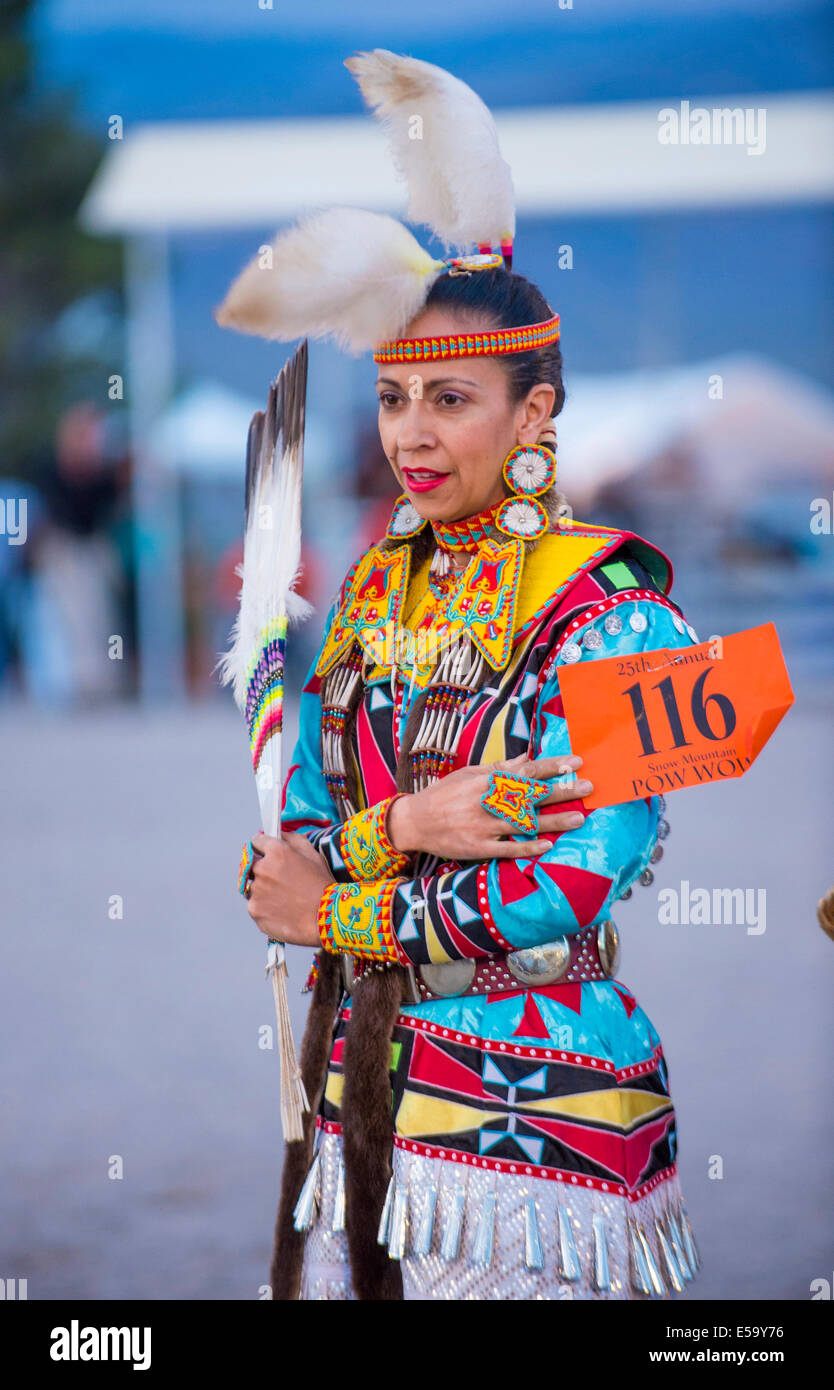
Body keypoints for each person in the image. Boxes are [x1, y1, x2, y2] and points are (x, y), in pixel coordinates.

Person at [221, 50, 702, 1301]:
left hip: (541, 1127)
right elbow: (308, 835)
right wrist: (361, 845)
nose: (411, 436)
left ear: (535, 414)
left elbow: (575, 867)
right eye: (390, 399)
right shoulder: (377, 591)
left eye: (450, 398)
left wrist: (339, 906)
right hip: (356, 1106)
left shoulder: (618, 613)